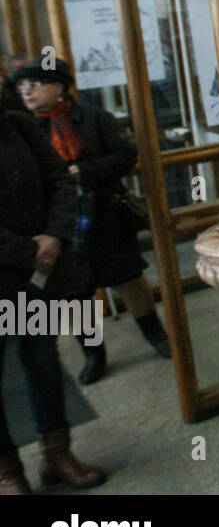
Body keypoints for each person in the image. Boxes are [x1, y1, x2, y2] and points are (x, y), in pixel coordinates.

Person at [13, 58, 172, 384]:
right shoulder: (24, 129)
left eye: (35, 84)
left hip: (106, 215)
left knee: (128, 278)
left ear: (58, 87)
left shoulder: (93, 117)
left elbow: (125, 156)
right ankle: (94, 355)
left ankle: (156, 334)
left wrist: (82, 171)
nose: (26, 92)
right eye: (22, 87)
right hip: (60, 226)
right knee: (75, 294)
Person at [0, 103, 106, 493]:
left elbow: (60, 178)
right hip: (17, 261)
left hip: (33, 273)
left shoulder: (17, 123)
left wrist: (55, 235)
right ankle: (7, 474)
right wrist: (29, 249)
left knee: (42, 358)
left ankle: (57, 456)